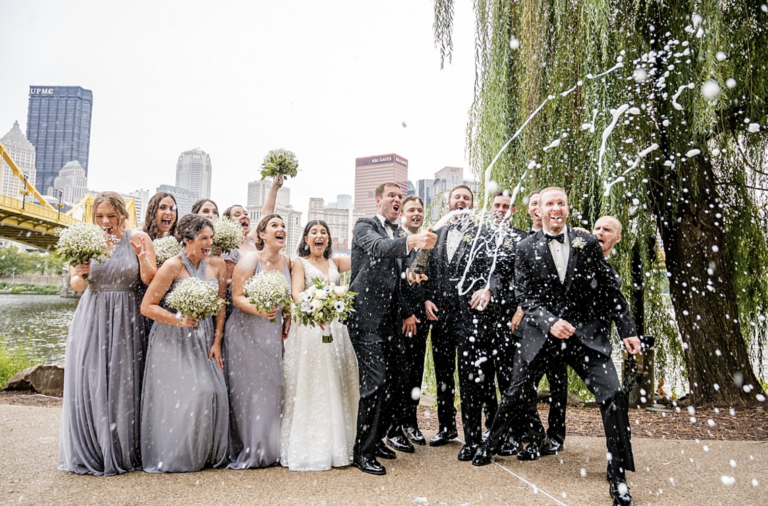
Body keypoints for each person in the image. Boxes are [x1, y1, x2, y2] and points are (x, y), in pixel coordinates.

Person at [473, 187, 640, 506]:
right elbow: (525, 297)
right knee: (516, 390)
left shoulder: (586, 243)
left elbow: (610, 291)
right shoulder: (526, 247)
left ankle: (617, 473)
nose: (555, 208)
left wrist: (627, 331)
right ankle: (490, 443)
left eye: (561, 203)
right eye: (549, 203)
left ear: (566, 208)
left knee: (614, 395)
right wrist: (549, 321)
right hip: (542, 334)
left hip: (584, 336)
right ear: (540, 209)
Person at [59, 191, 156, 476]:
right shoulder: (85, 241)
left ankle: (124, 447)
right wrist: (81, 272)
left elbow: (150, 279)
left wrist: (143, 258)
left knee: (124, 379)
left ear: (123, 215)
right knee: (91, 378)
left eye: (111, 216)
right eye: (99, 216)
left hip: (127, 315)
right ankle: (95, 446)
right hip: (93, 315)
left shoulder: (138, 238)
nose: (105, 222)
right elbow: (78, 285)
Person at [347, 182, 437, 476]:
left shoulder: (398, 235)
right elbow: (378, 248)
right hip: (366, 320)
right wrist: (413, 241)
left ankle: (377, 439)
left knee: (396, 382)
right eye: (392, 196)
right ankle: (362, 453)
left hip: (391, 322)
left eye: (400, 196)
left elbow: (400, 277)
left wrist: (411, 277)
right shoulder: (365, 226)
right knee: (374, 384)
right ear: (379, 201)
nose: (397, 199)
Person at [140, 214, 229, 473]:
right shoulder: (172, 266)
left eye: (211, 238)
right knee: (187, 395)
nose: (209, 243)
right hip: (172, 338)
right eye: (203, 238)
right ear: (187, 240)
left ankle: (203, 453)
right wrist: (178, 320)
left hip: (205, 337)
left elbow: (220, 307)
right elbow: (147, 306)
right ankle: (176, 454)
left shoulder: (217, 264)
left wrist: (217, 341)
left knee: (213, 392)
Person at [423, 185, 497, 461]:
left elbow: (494, 269)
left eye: (467, 198)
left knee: (469, 378)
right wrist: (425, 299)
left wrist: (488, 288)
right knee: (443, 375)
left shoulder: (483, 234)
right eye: (457, 197)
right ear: (449, 203)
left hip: (470, 316)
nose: (461, 201)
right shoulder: (435, 233)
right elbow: (423, 269)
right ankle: (446, 427)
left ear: (472, 205)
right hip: (439, 316)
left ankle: (472, 438)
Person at [280, 220, 360, 471]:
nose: (319, 235)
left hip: (335, 328)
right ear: (306, 239)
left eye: (324, 232)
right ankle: (309, 444)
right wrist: (314, 309)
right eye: (314, 232)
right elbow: (296, 293)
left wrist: (358, 235)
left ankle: (339, 443)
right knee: (312, 379)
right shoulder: (299, 263)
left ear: (328, 239)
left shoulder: (335, 262)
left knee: (336, 377)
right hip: (310, 328)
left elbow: (361, 257)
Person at [223, 214, 291, 469]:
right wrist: (259, 309)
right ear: (262, 234)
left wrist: (288, 315)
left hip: (271, 335)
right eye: (274, 225)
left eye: (283, 225)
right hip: (245, 332)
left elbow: (288, 297)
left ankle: (269, 448)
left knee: (273, 387)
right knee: (248, 390)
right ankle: (251, 447)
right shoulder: (250, 259)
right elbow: (237, 297)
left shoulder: (287, 261)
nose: (280, 229)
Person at [481, 190, 528, 456]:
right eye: (497, 205)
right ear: (491, 208)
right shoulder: (480, 238)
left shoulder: (521, 239)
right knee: (485, 375)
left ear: (513, 211)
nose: (501, 210)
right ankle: (491, 427)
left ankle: (512, 431)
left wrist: (520, 308)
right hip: (481, 317)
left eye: (506, 206)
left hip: (509, 316)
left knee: (508, 376)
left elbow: (524, 279)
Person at [386, 196, 428, 450]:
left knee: (415, 373)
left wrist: (428, 301)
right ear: (401, 214)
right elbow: (394, 282)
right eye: (411, 210)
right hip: (399, 319)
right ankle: (394, 426)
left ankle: (411, 422)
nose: (416, 214)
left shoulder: (427, 242)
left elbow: (431, 278)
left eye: (419, 210)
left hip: (421, 320)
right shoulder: (395, 242)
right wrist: (406, 313)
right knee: (398, 373)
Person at [139, 192, 179, 338]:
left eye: (172, 208)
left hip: (167, 306)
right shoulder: (139, 237)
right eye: (162, 207)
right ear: (152, 211)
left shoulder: (179, 242)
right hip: (140, 301)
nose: (168, 212)